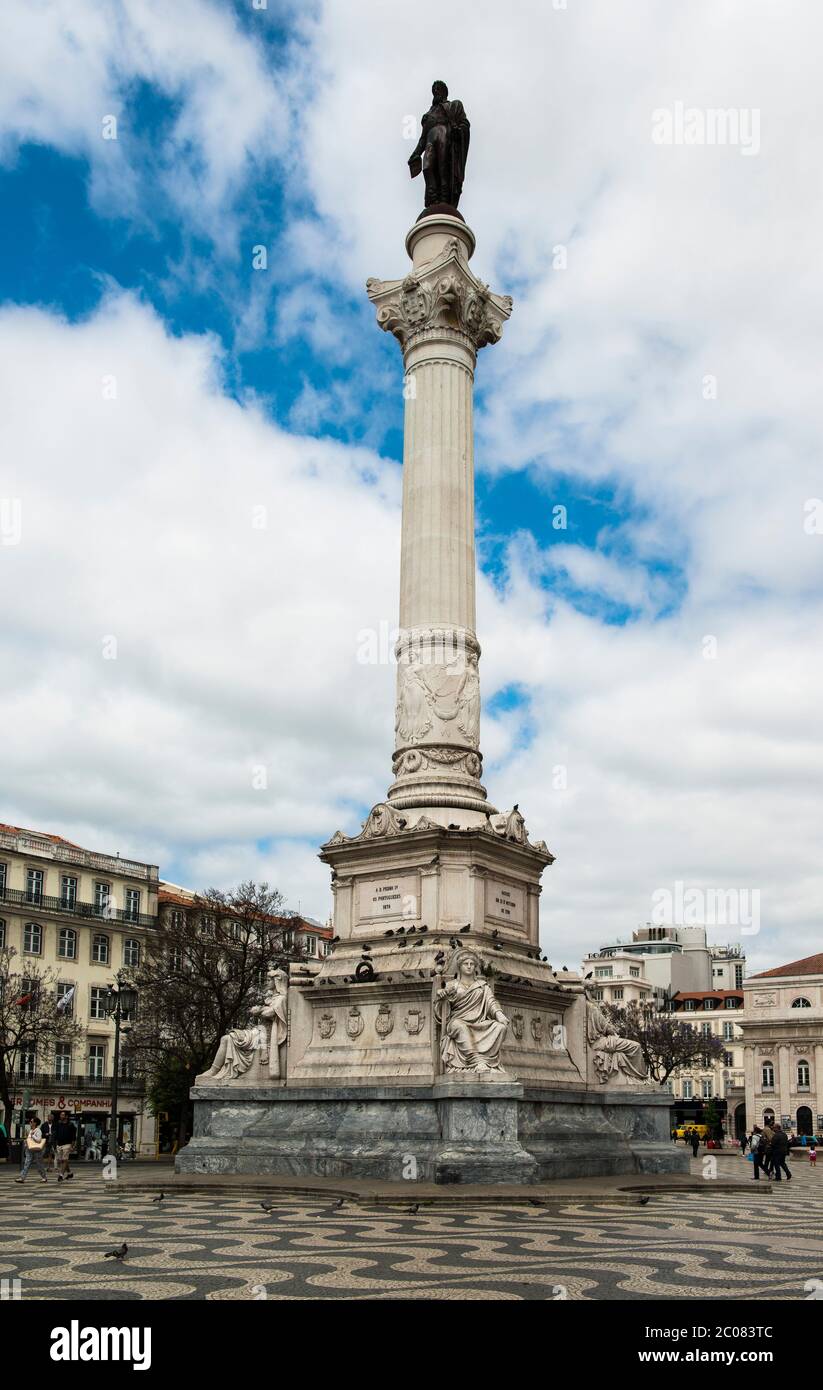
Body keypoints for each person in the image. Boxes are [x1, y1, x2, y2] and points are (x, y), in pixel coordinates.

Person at [15, 1114, 48, 1184]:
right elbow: (29, 1139)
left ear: (35, 1123)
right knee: (26, 1163)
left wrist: (33, 1136)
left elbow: (39, 1140)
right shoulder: (31, 1130)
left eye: (31, 1121)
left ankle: (44, 1177)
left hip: (36, 1150)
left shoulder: (38, 1130)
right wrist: (26, 1141)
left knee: (39, 1164)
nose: (30, 1122)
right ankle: (22, 1178)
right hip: (29, 1149)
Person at [53, 1110, 77, 1182]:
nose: (61, 1116)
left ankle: (61, 1175)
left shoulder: (70, 1125)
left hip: (67, 1144)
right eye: (61, 1115)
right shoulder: (58, 1124)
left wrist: (72, 1146)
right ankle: (70, 1173)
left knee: (64, 1160)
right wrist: (55, 1144)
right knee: (61, 1161)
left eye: (63, 1115)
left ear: (66, 1116)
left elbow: (73, 1136)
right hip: (59, 1144)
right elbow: (56, 1135)